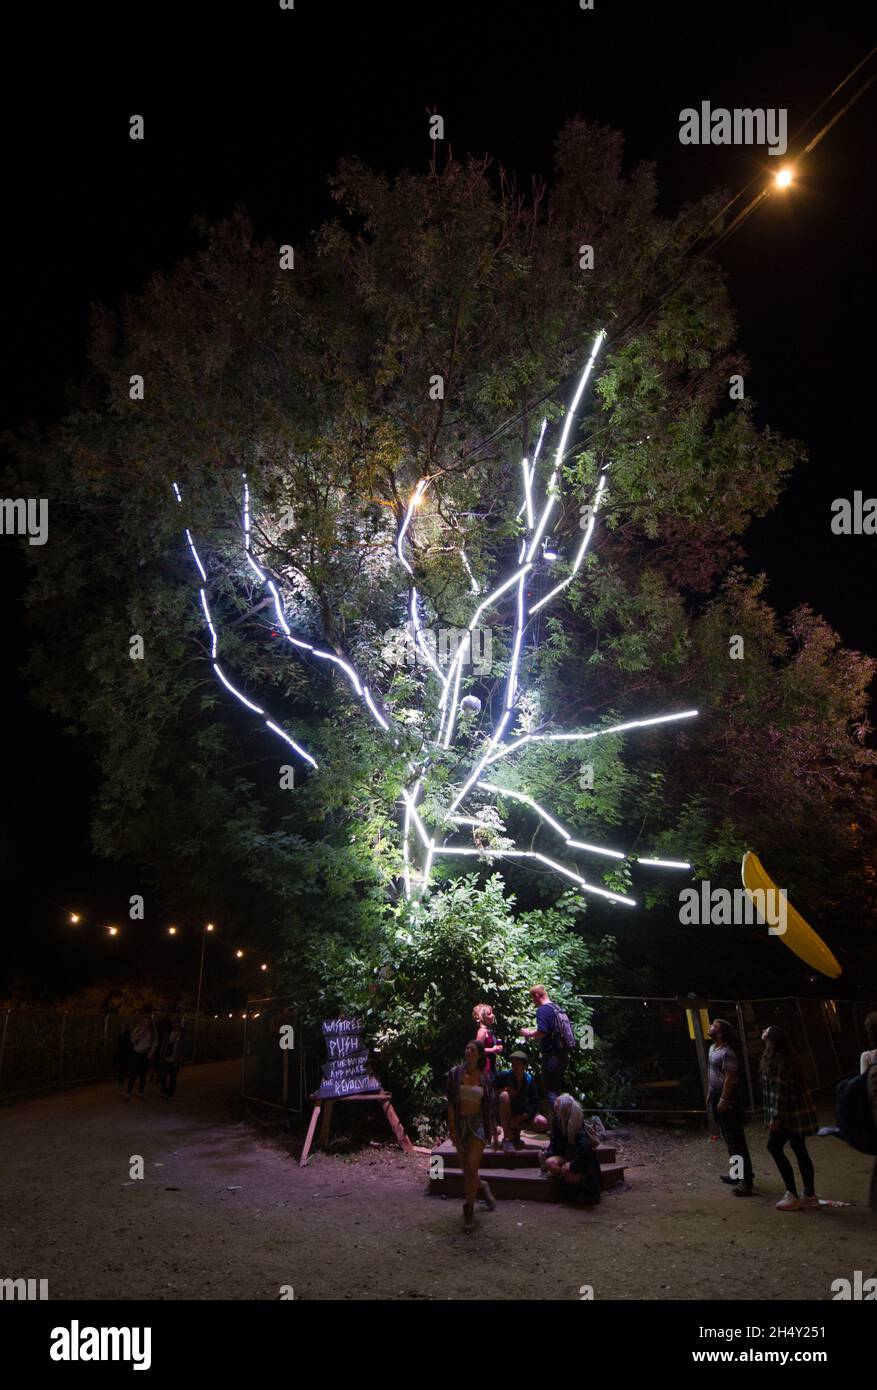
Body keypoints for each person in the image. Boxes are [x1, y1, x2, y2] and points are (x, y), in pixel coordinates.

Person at [759, 1025, 819, 1211]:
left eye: (765, 1031)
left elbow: (778, 1092)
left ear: (771, 1039)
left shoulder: (776, 1062)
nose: (762, 1032)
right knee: (799, 1148)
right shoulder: (789, 1058)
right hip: (798, 1113)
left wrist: (774, 1118)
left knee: (773, 1146)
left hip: (788, 1115)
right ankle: (809, 1194)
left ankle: (791, 1194)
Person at [446, 1040, 497, 1233]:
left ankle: (469, 1210)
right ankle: (482, 1188)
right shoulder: (455, 1074)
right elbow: (451, 1102)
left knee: (472, 1165)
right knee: (467, 1171)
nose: (468, 1051)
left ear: (479, 1055)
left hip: (478, 1125)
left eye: (472, 1049)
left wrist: (495, 1132)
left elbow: (490, 1108)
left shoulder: (485, 1078)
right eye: (466, 1048)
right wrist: (452, 1127)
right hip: (460, 1123)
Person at [707, 1017, 754, 1196]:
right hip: (717, 1094)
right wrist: (710, 1093)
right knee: (728, 1137)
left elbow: (730, 1077)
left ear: (720, 1033)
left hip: (728, 1098)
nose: (710, 1027)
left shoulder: (727, 1052)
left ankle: (746, 1179)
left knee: (736, 1138)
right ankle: (737, 1173)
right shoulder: (712, 1048)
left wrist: (724, 1099)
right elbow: (712, 1073)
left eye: (714, 1026)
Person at [541, 1094, 601, 1205]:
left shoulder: (577, 1121)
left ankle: (580, 1189)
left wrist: (573, 1166)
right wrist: (548, 1154)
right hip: (566, 1155)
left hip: (581, 1159)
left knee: (567, 1170)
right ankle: (567, 1183)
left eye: (557, 1105)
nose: (555, 1106)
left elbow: (584, 1148)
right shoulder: (557, 1121)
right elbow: (554, 1142)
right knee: (549, 1163)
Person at [519, 985, 570, 1112]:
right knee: (556, 1090)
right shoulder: (557, 1008)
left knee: (550, 1092)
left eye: (532, 998)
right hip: (563, 1055)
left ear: (537, 995)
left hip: (551, 1056)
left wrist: (528, 1033)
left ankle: (561, 1124)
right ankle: (562, 1125)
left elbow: (542, 1031)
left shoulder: (543, 1010)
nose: (533, 1002)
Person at [493, 1050, 548, 1152]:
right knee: (504, 1096)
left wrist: (523, 1115)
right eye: (513, 1064)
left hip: (522, 1114)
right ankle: (508, 1138)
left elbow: (535, 1103)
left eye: (518, 1064)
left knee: (542, 1122)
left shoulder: (529, 1079)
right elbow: (489, 1090)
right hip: (505, 1115)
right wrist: (504, 1089)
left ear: (524, 1066)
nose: (515, 1067)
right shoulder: (504, 1076)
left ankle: (515, 1131)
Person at [124, 1015, 157, 1100]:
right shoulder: (137, 1029)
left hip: (145, 1054)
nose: (146, 1023)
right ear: (142, 1022)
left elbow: (155, 1043)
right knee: (133, 1073)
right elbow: (133, 1040)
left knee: (143, 1074)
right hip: (136, 1053)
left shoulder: (152, 1031)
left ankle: (141, 1091)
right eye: (144, 1021)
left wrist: (151, 1053)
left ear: (150, 1022)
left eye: (148, 1021)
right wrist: (141, 1031)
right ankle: (128, 1092)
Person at [472, 1004, 503, 1075]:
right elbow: (476, 1050)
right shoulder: (482, 1031)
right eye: (489, 1014)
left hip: (491, 1065)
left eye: (492, 1013)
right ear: (482, 1017)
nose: (493, 1015)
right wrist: (492, 1050)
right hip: (484, 1067)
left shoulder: (488, 1030)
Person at [160, 1017, 185, 1099]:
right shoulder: (168, 1032)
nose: (174, 1024)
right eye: (173, 1023)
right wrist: (161, 1055)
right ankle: (164, 1090)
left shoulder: (182, 1034)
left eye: (176, 1023)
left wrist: (181, 1057)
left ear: (179, 1024)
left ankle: (170, 1093)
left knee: (173, 1078)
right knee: (163, 1075)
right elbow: (163, 1044)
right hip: (166, 1058)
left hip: (175, 1059)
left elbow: (184, 1046)